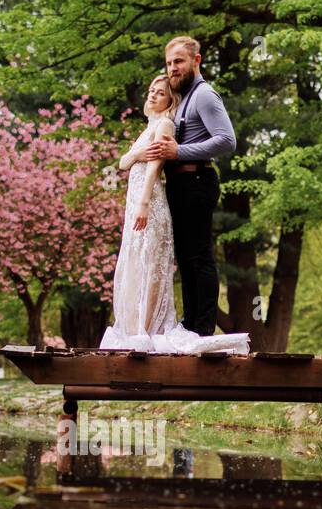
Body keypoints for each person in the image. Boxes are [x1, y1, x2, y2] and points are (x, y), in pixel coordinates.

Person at [99, 70, 249, 355]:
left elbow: (156, 165)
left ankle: (172, 327)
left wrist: (143, 199)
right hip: (150, 199)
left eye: (161, 92)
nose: (153, 95)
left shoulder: (167, 122)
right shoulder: (152, 125)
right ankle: (158, 325)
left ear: (171, 99)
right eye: (151, 91)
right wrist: (136, 155)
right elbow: (123, 162)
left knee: (168, 261)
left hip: (153, 199)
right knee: (158, 260)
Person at [126, 35, 239, 339]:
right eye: (169, 63)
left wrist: (179, 153)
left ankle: (201, 328)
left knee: (199, 256)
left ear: (196, 61)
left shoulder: (204, 95)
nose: (173, 68)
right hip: (180, 184)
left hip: (198, 180)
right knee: (186, 258)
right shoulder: (182, 99)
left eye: (179, 61)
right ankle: (189, 325)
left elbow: (227, 140)